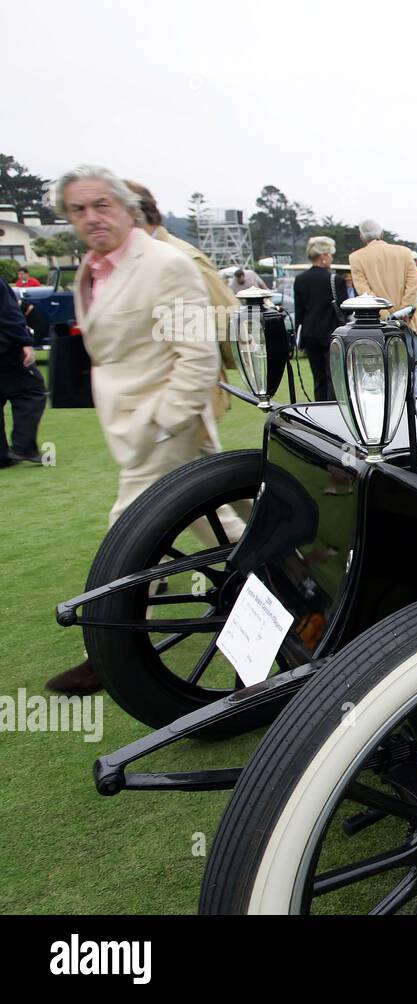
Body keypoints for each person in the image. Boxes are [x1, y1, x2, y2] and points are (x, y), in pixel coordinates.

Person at [44, 165, 238, 695]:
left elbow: (197, 358)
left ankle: (108, 650)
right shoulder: (91, 267)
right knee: (220, 528)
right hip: (131, 424)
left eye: (101, 205)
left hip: (161, 425)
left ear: (128, 209)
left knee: (126, 534)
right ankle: (287, 589)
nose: (91, 218)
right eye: (78, 209)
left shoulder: (166, 265)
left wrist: (163, 424)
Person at [125, 180, 240, 427]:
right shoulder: (132, 258)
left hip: (181, 397)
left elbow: (227, 319)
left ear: (135, 215)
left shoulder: (182, 257)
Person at [349, 220, 417, 394]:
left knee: (385, 367)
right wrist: (404, 310)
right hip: (409, 319)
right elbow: (413, 285)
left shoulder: (356, 258)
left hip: (379, 323)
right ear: (382, 233)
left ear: (362, 237)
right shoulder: (404, 252)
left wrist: (386, 314)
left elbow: (365, 292)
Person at [293, 236, 350, 400]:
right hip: (332, 334)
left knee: (318, 379)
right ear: (324, 256)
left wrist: (300, 339)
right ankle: (332, 411)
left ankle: (319, 410)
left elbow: (299, 311)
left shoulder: (300, 280)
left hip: (310, 334)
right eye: (330, 255)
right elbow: (344, 310)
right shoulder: (336, 280)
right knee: (334, 378)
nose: (331, 258)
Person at [0, 279, 46, 466]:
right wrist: (23, 341)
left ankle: (2, 456)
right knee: (31, 391)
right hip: (5, 347)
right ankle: (23, 446)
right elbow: (8, 312)